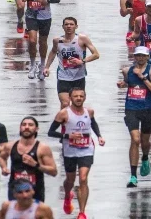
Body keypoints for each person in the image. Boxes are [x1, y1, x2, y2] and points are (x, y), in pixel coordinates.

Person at [47, 88, 104, 219]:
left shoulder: (89, 112)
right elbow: (50, 132)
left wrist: (99, 136)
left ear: (85, 98)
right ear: (70, 98)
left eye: (81, 96)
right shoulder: (63, 114)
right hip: (70, 150)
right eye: (75, 96)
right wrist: (68, 136)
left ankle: (82, 212)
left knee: (83, 179)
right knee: (70, 180)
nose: (78, 98)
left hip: (87, 149)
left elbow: (93, 124)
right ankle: (68, 195)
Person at [117, 46, 151, 188]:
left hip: (148, 109)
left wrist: (143, 78)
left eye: (143, 55)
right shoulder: (127, 70)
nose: (140, 58)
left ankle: (145, 157)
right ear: (134, 57)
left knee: (145, 142)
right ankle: (133, 176)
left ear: (148, 57)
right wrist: (122, 84)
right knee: (135, 139)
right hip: (131, 109)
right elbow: (128, 82)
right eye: (138, 55)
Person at [43, 17, 100, 108]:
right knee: (65, 104)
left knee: (77, 104)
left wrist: (81, 61)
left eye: (71, 24)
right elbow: (53, 51)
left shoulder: (82, 39)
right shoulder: (57, 40)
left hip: (79, 77)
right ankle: (64, 117)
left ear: (76, 26)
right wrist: (46, 67)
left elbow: (96, 54)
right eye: (66, 24)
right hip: (63, 77)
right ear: (63, 27)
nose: (69, 26)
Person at [0, 117, 57, 202]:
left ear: (36, 129)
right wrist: (4, 167)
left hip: (35, 192)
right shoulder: (10, 146)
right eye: (24, 124)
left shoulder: (42, 148)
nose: (26, 127)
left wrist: (36, 164)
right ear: (20, 128)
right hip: (15, 191)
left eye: (30, 125)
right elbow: (1, 157)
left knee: (36, 211)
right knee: (13, 210)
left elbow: (54, 172)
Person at [20, 0, 60, 77]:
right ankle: (32, 65)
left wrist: (47, 1)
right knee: (32, 41)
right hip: (31, 16)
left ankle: (42, 66)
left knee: (43, 42)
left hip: (45, 17)